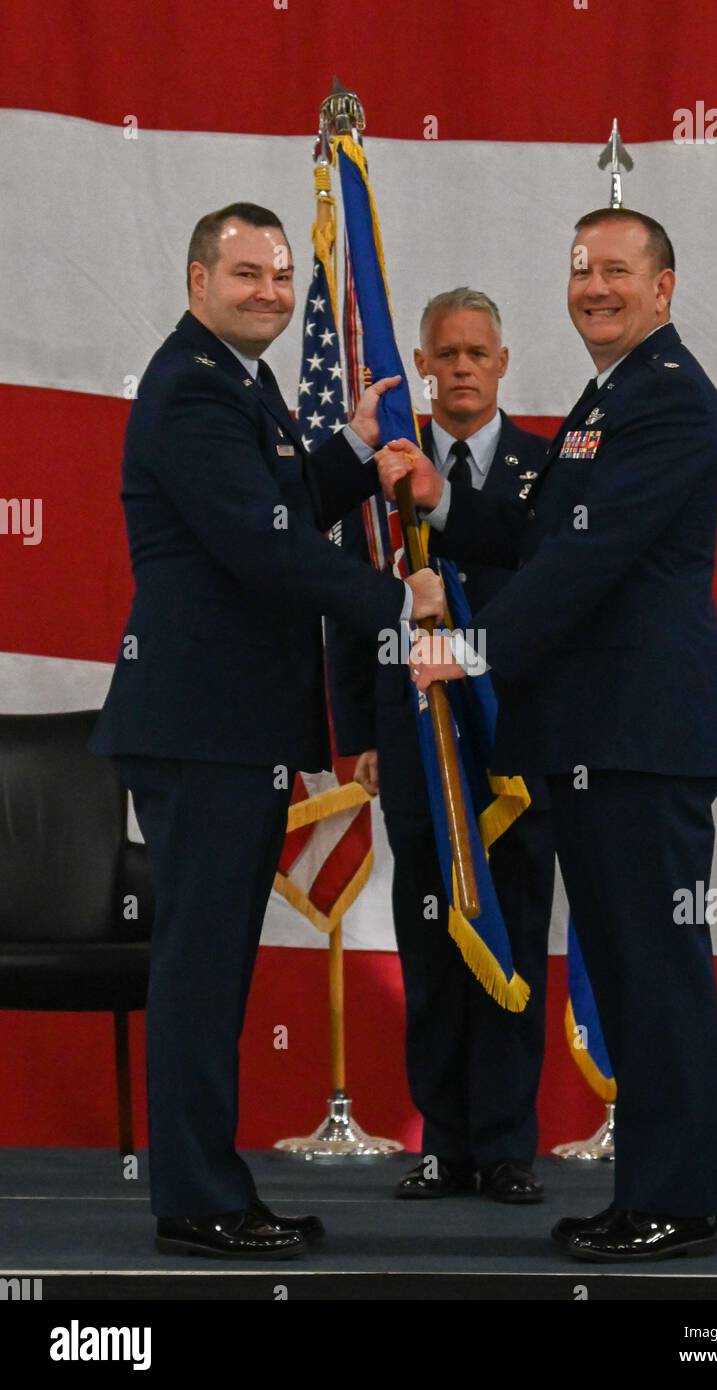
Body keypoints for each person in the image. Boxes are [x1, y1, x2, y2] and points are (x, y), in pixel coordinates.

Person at [376, 209, 717, 1262]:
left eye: (619, 271)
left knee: (656, 971)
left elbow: (589, 563)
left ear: (666, 287)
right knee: (631, 968)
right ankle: (653, 1191)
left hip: (643, 733)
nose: (595, 286)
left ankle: (678, 1201)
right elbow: (544, 529)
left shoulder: (670, 401)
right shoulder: (608, 399)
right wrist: (440, 500)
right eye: (582, 269)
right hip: (596, 733)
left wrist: (473, 646)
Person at [89, 202, 443, 1259]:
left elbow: (282, 500)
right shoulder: (193, 389)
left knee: (214, 968)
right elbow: (263, 544)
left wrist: (348, 451)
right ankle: (197, 1200)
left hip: (225, 725)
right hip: (204, 726)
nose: (273, 294)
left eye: (284, 278)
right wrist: (397, 602)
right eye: (248, 274)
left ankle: (208, 1186)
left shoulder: (240, 382)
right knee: (201, 971)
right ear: (198, 280)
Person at [327, 290, 556, 1203]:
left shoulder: (547, 474)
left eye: (477, 354)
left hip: (516, 752)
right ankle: (443, 1144)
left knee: (513, 939)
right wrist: (362, 735)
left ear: (504, 362)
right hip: (414, 742)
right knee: (428, 945)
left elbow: (561, 602)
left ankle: (505, 1148)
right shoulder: (387, 474)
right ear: (420, 366)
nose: (460, 369)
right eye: (444, 355)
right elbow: (350, 609)